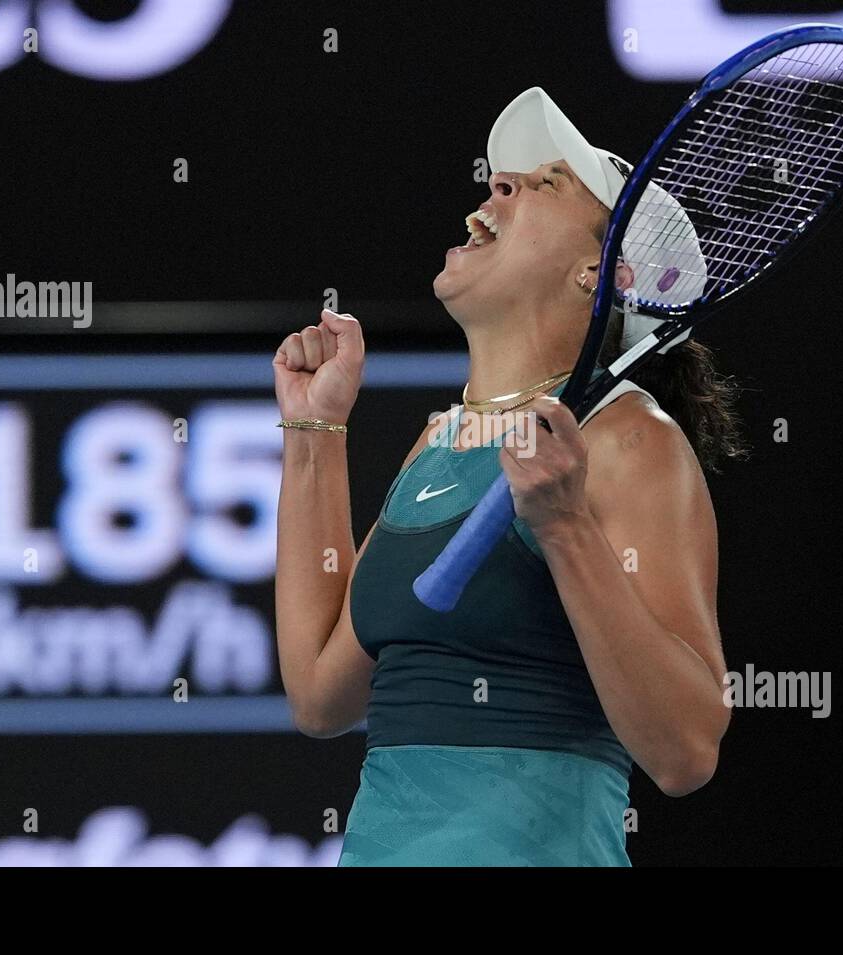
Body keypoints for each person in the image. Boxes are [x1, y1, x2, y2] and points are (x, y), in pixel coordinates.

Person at [275, 88, 743, 865]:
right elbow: (322, 694)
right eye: (501, 178)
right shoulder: (436, 443)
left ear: (601, 271)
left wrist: (564, 526)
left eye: (543, 183)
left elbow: (687, 747)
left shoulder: (630, 442)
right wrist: (313, 432)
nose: (494, 189)